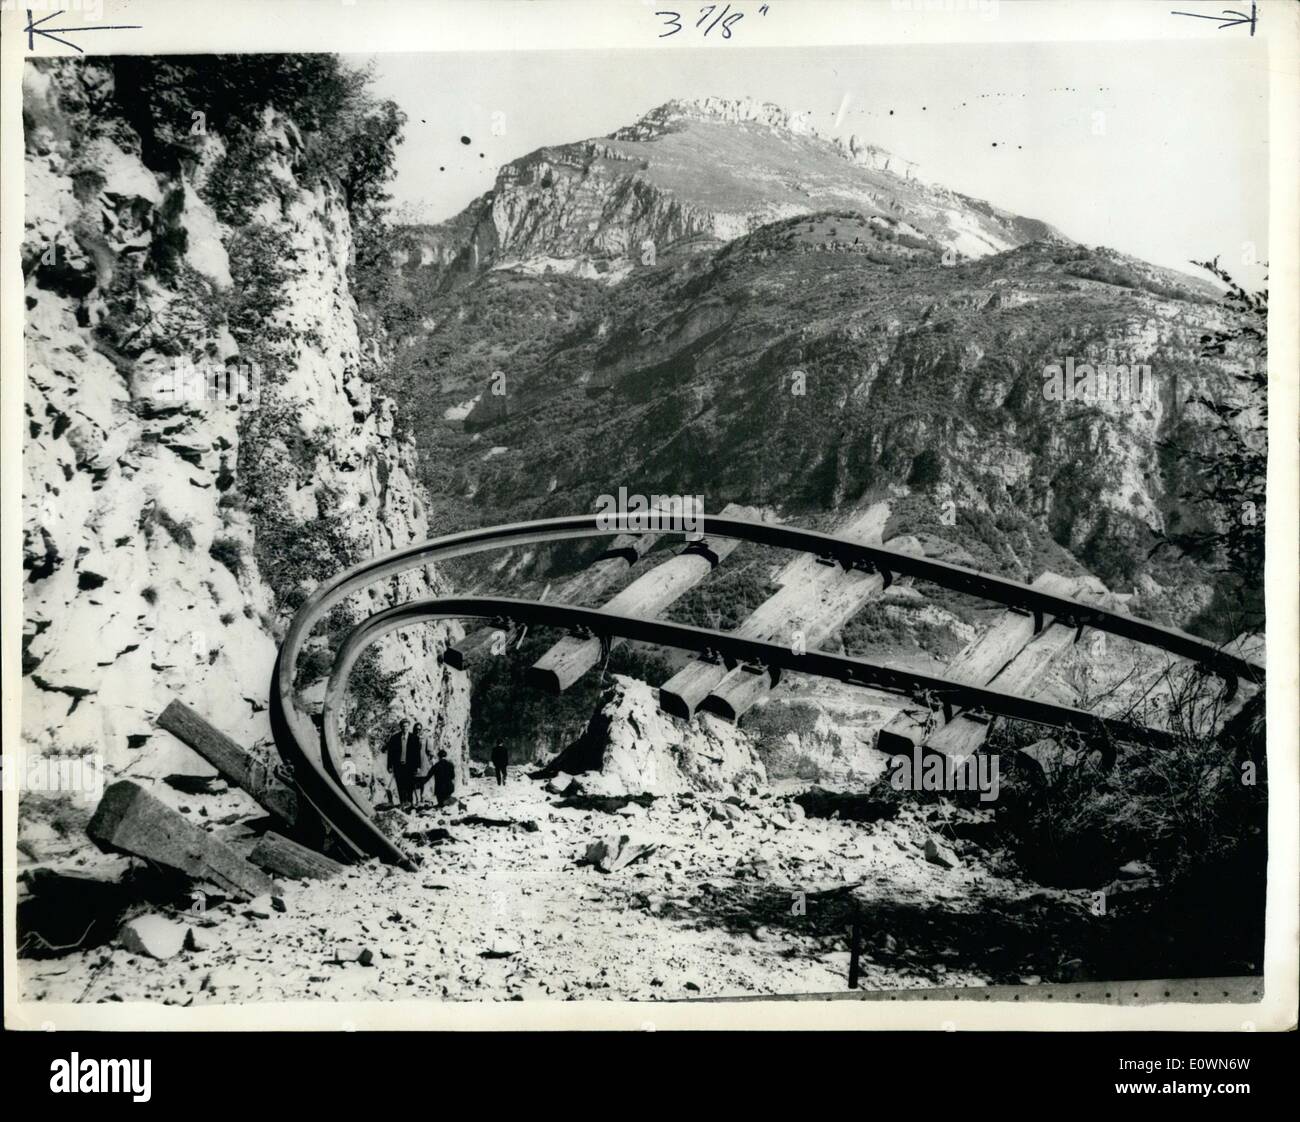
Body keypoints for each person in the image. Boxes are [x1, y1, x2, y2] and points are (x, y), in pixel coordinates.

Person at [383, 718, 413, 807]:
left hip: (409, 765)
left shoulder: (413, 738)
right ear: (400, 727)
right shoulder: (395, 738)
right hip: (398, 765)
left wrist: (417, 766)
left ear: (409, 727)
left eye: (406, 726)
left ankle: (410, 802)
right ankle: (403, 802)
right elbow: (391, 753)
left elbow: (416, 754)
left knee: (409, 784)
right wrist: (389, 766)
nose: (405, 728)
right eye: (403, 726)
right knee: (400, 784)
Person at [406, 722, 429, 807]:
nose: (418, 730)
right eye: (416, 729)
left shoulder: (425, 737)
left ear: (421, 729)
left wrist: (431, 757)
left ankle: (422, 797)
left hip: (423, 762)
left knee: (422, 781)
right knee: (413, 781)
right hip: (413, 761)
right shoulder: (410, 737)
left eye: (419, 729)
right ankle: (415, 799)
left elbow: (428, 749)